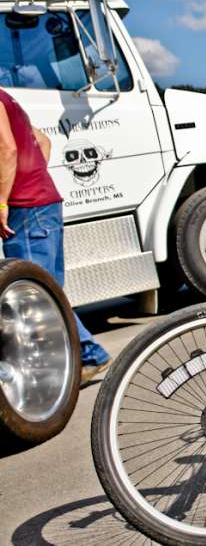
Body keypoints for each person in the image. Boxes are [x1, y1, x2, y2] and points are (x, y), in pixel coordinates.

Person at [0, 87, 112, 383]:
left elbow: (7, 149)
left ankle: (89, 355)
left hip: (25, 210)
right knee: (47, 290)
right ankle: (77, 360)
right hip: (44, 203)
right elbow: (43, 141)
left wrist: (4, 199)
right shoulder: (7, 99)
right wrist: (33, 178)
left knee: (34, 294)